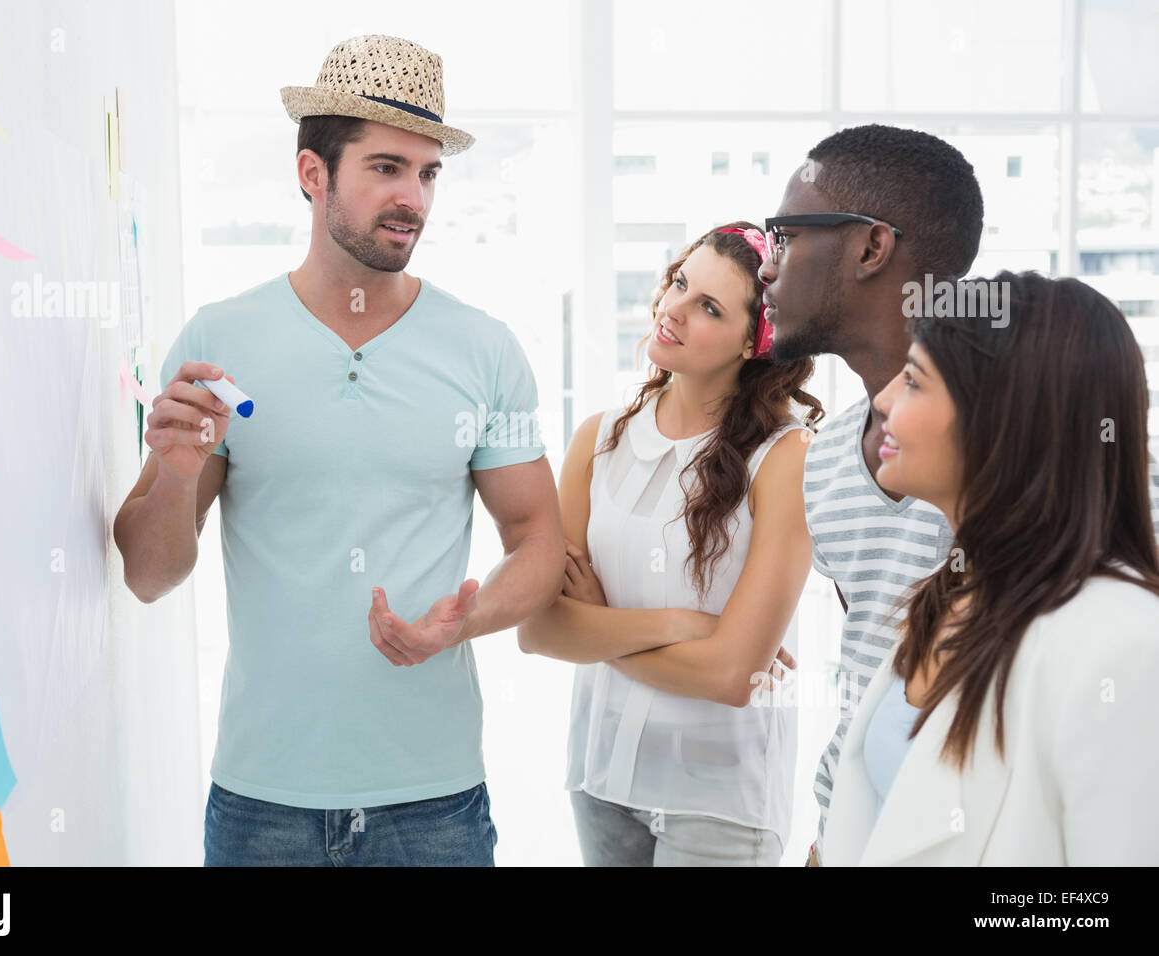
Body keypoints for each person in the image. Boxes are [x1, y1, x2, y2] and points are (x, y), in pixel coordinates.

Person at [113, 34, 566, 866]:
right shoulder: (221, 342)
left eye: (429, 173)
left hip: (433, 806)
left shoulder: (486, 351)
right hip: (262, 806)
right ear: (312, 173)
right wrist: (177, 480)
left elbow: (541, 544)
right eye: (387, 167)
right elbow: (148, 574)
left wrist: (468, 619)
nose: (414, 199)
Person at [821, 271, 1159, 865]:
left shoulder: (1125, 643)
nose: (882, 400)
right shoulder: (953, 590)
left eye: (915, 381)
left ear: (1003, 418)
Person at [519, 222, 823, 865]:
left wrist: (599, 625)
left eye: (709, 307)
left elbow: (732, 676)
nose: (672, 310)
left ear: (753, 340)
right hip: (601, 776)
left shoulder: (784, 457)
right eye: (680, 284)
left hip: (718, 799)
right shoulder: (597, 441)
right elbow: (541, 631)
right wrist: (687, 625)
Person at [757, 124, 984, 866]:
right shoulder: (826, 459)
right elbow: (876, 662)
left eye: (785, 237)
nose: (767, 269)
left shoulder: (1012, 435)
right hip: (850, 829)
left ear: (870, 249)